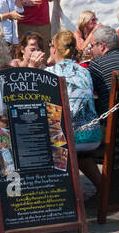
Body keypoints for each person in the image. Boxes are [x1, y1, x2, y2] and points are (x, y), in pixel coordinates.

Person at [45, 30, 105, 194]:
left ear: (54, 49)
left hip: (67, 139)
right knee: (81, 153)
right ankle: (104, 190)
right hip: (92, 136)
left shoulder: (49, 73)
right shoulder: (84, 71)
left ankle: (60, 196)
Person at [86, 26, 119, 115]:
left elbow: (86, 92)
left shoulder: (97, 64)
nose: (90, 49)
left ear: (102, 46)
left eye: (92, 45)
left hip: (111, 123)